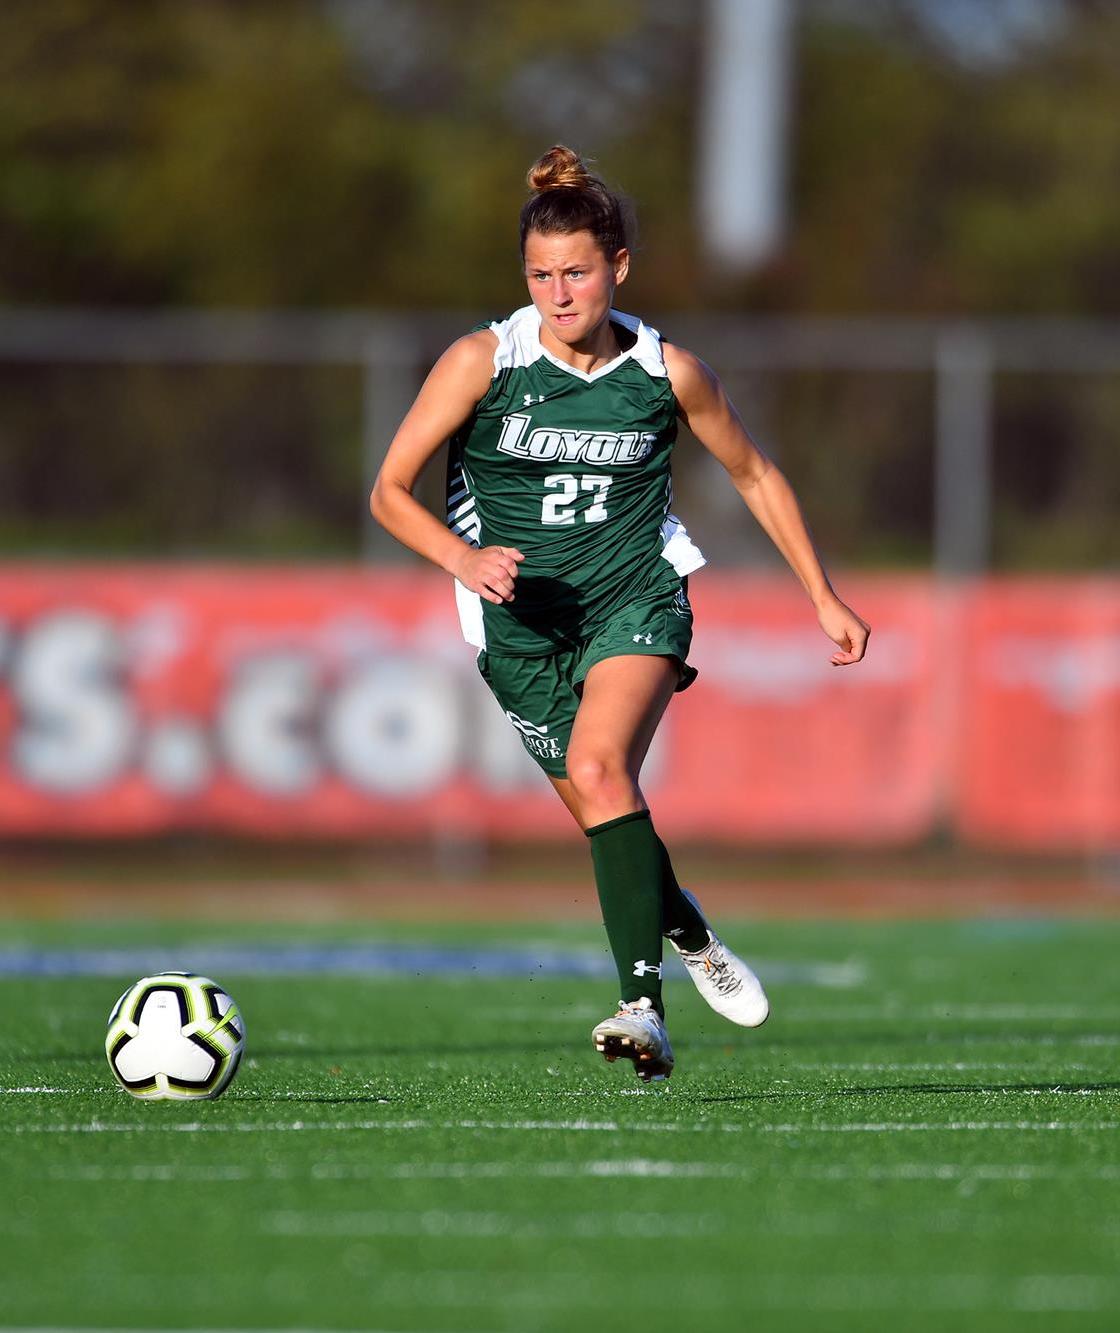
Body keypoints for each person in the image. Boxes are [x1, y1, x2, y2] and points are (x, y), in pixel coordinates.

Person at [369, 146, 871, 1082]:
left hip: (635, 596)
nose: (559, 295)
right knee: (606, 809)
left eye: (578, 273)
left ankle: (643, 1009)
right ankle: (687, 927)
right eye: (541, 276)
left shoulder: (669, 372)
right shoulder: (483, 361)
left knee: (602, 770)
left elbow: (755, 473)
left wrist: (821, 593)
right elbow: (389, 491)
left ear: (620, 267)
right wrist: (462, 557)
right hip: (517, 627)